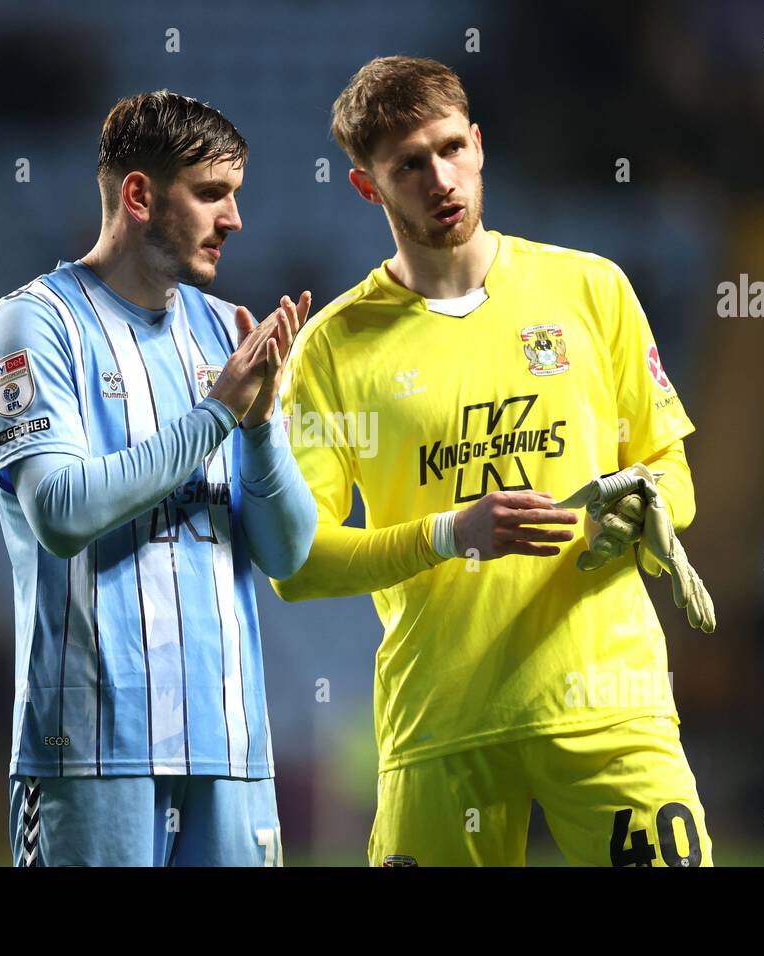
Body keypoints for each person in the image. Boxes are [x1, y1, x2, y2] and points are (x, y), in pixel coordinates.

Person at [272, 56, 714, 866]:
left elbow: (669, 472)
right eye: (409, 164)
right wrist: (445, 535)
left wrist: (653, 502)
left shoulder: (592, 290)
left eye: (449, 149)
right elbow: (296, 562)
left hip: (609, 706)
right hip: (443, 721)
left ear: (478, 145)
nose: (439, 178)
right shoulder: (333, 349)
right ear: (367, 187)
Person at [0, 90, 316, 866]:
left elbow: (287, 551)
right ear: (139, 196)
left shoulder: (225, 330)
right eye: (211, 195)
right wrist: (218, 414)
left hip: (230, 749)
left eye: (236, 196)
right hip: (92, 752)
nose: (234, 220)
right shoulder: (35, 325)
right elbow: (59, 510)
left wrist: (259, 426)